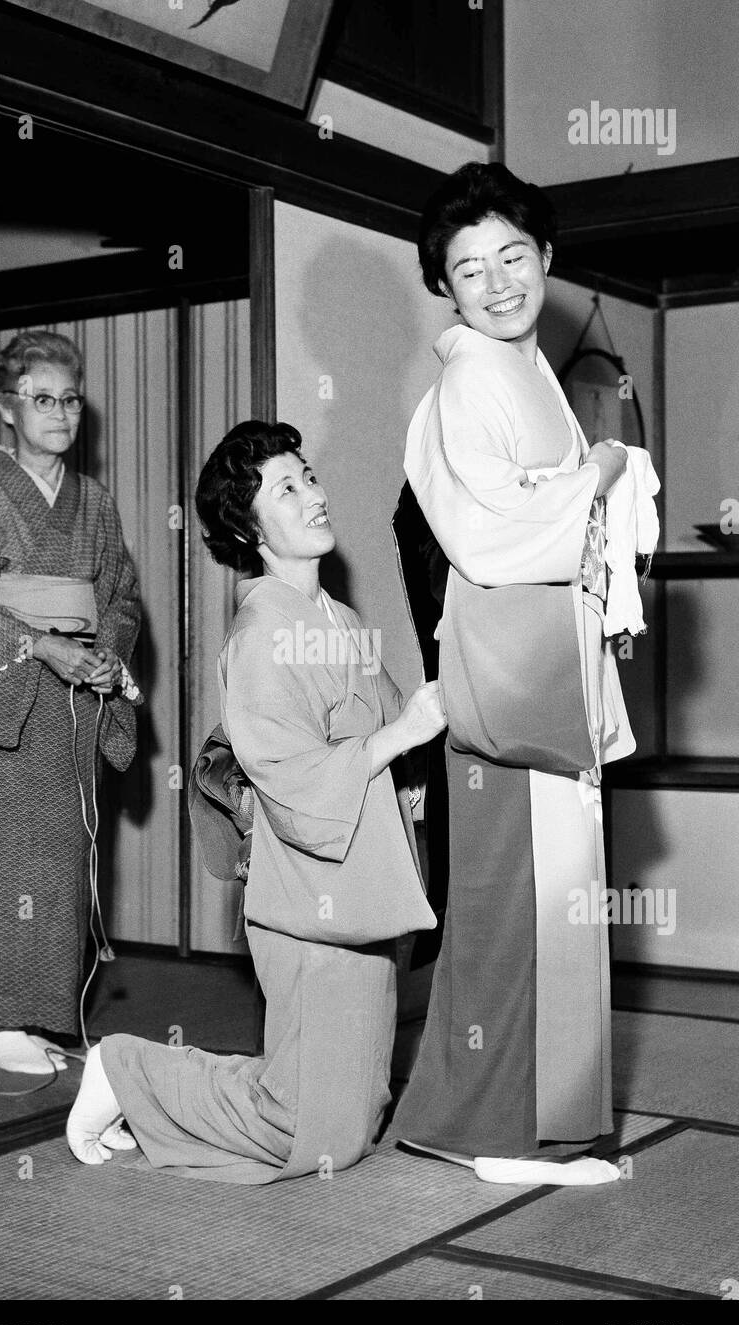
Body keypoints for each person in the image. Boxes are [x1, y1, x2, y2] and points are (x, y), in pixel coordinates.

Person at [65, 420, 445, 1181]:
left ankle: (150, 1085)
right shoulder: (263, 630)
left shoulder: (338, 618)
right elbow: (291, 772)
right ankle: (126, 1070)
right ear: (248, 526)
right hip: (309, 887)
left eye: (308, 475)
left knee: (351, 1123)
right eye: (287, 488)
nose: (314, 495)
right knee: (303, 1128)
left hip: (365, 882)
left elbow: (392, 729)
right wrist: (400, 735)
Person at [391, 162, 641, 1186]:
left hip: (548, 654)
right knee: (505, 900)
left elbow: (549, 510)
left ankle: (548, 1122)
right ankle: (485, 1127)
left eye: (511, 257)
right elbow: (488, 532)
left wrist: (588, 487)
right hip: (505, 658)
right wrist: (599, 472)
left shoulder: (529, 367)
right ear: (441, 288)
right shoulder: (466, 379)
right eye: (466, 268)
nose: (495, 283)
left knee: (562, 897)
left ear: (544, 259)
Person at [0, 331, 141, 1074]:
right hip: (10, 698)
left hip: (76, 698)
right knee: (10, 854)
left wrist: (105, 651)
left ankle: (44, 1017)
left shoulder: (96, 502)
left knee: (67, 857)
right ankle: (0, 1024)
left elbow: (119, 596)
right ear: (6, 409)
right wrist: (42, 645)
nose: (59, 413)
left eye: (70, 399)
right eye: (41, 399)